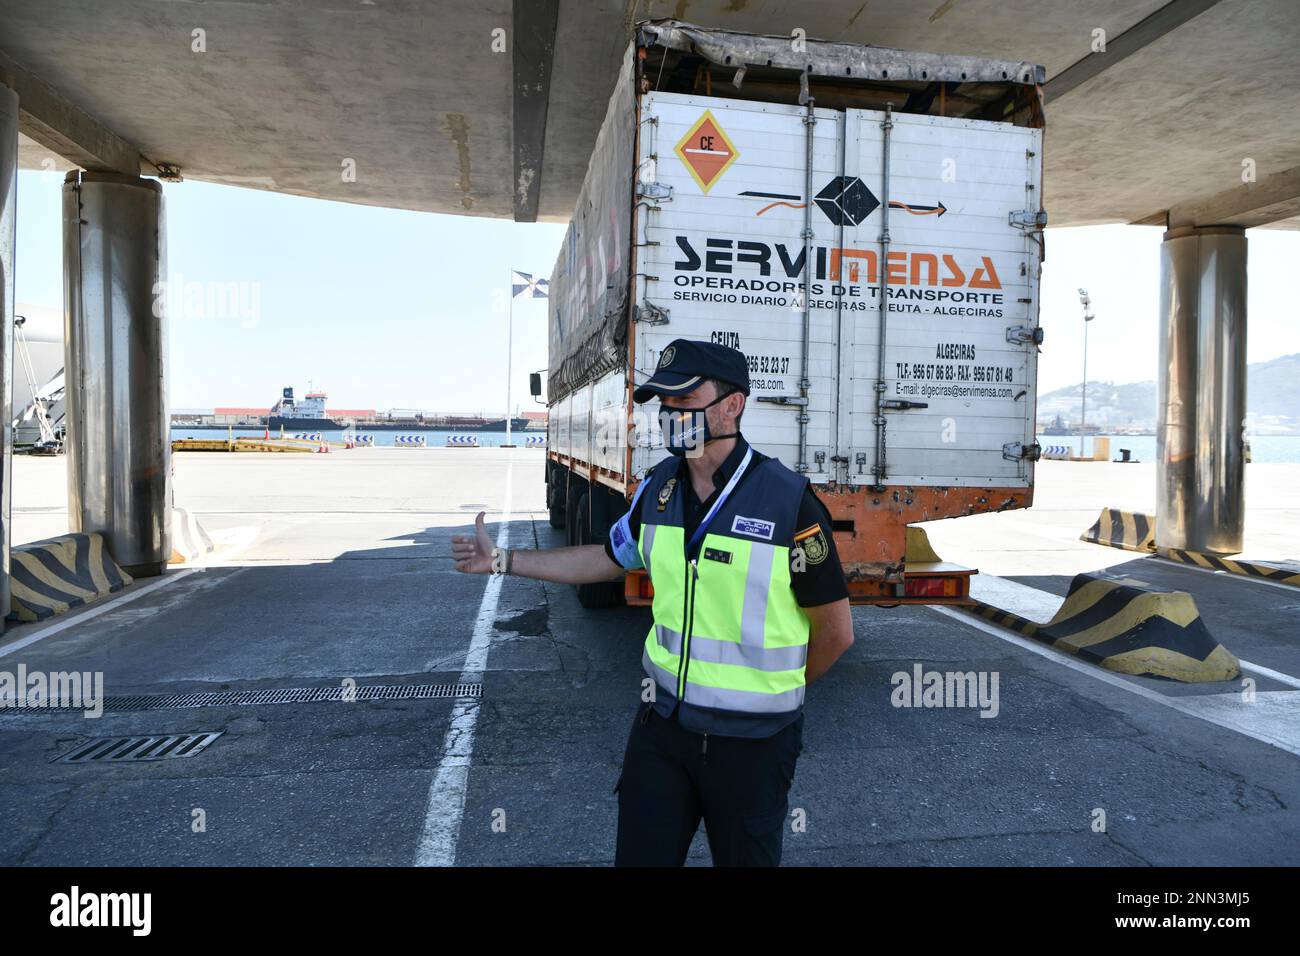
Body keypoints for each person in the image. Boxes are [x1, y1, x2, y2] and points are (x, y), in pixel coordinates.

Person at [451, 338, 854, 866]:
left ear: (732, 406)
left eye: (684, 402)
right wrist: (505, 561)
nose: (669, 415)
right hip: (663, 732)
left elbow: (836, 633)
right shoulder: (658, 489)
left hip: (754, 746)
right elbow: (607, 558)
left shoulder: (788, 503)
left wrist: (774, 693)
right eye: (663, 403)